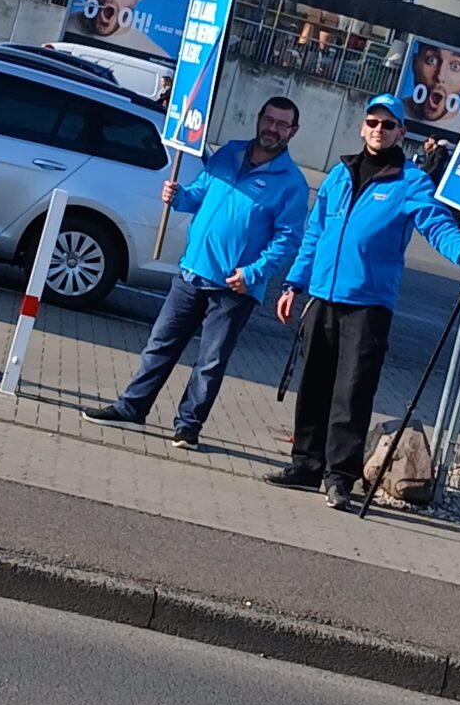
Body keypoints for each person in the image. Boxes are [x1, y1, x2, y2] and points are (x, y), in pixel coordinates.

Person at [264, 93, 460, 512]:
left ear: (401, 133)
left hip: (368, 306)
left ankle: (339, 477)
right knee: (313, 385)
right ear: (361, 126)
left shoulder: (410, 182)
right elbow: (315, 234)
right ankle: (306, 463)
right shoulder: (339, 174)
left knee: (351, 393)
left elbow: (437, 224)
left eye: (388, 125)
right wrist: (293, 284)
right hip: (322, 298)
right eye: (373, 122)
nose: (379, 130)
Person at [82, 97, 309, 449]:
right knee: (160, 345)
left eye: (282, 124)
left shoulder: (291, 182)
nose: (273, 128)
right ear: (258, 118)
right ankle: (132, 408)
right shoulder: (229, 154)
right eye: (269, 119)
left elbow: (289, 238)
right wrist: (179, 196)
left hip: (235, 288)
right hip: (193, 271)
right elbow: (199, 195)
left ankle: (187, 426)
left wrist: (253, 273)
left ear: (293, 132)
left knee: (210, 362)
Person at [402, 43, 460, 134]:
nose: (440, 76)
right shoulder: (391, 114)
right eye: (431, 60)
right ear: (415, 63)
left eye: (455, 66)